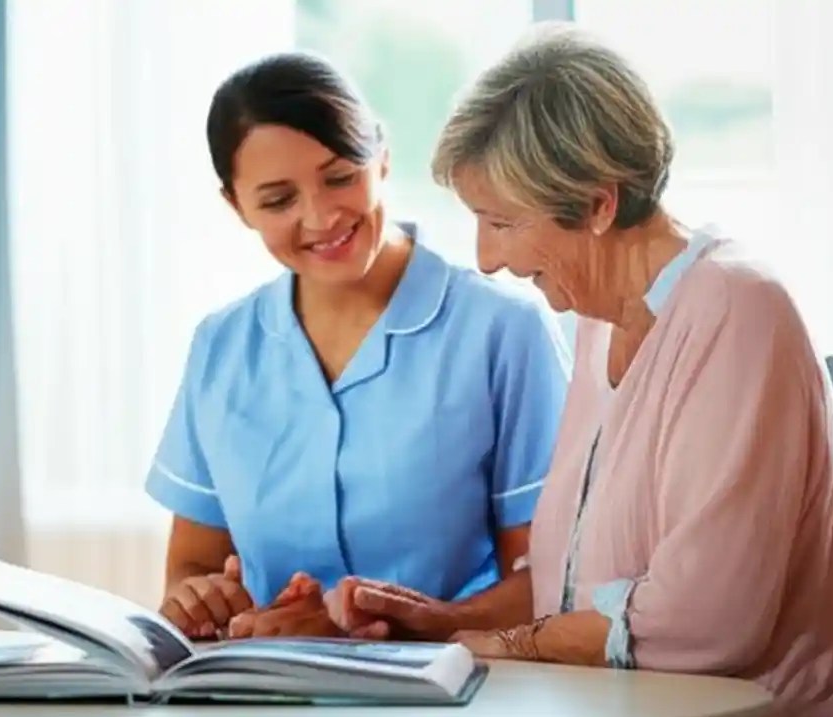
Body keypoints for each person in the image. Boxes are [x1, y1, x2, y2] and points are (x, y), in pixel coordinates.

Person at [326, 25, 833, 717]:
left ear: (597, 205)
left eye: (501, 222)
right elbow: (578, 582)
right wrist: (439, 621)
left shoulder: (737, 306)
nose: (486, 258)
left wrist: (505, 644)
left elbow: (706, 621)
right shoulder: (595, 321)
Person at [145, 52, 570, 641]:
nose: (321, 216)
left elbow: (551, 583)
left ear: (383, 157)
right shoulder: (221, 347)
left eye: (340, 176)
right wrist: (199, 601)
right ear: (236, 205)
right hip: (266, 692)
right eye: (277, 200)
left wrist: (410, 624)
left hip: (456, 691)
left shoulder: (503, 333)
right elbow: (191, 567)